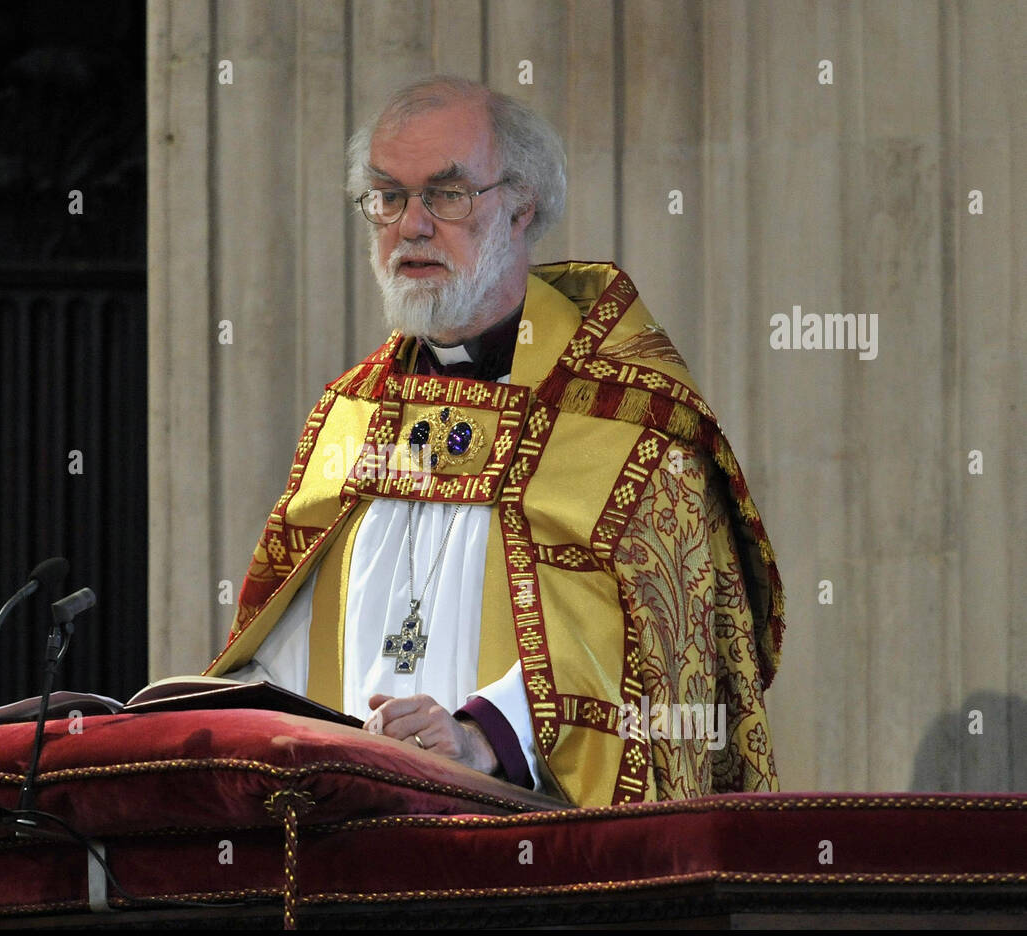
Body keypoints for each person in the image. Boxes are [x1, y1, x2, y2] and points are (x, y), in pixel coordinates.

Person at [204, 76, 784, 807]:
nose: (409, 226)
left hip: (538, 859)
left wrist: (487, 736)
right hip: (347, 855)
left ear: (521, 207)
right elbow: (289, 649)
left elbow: (665, 645)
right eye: (386, 196)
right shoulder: (350, 415)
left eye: (445, 195)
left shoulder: (630, 417)